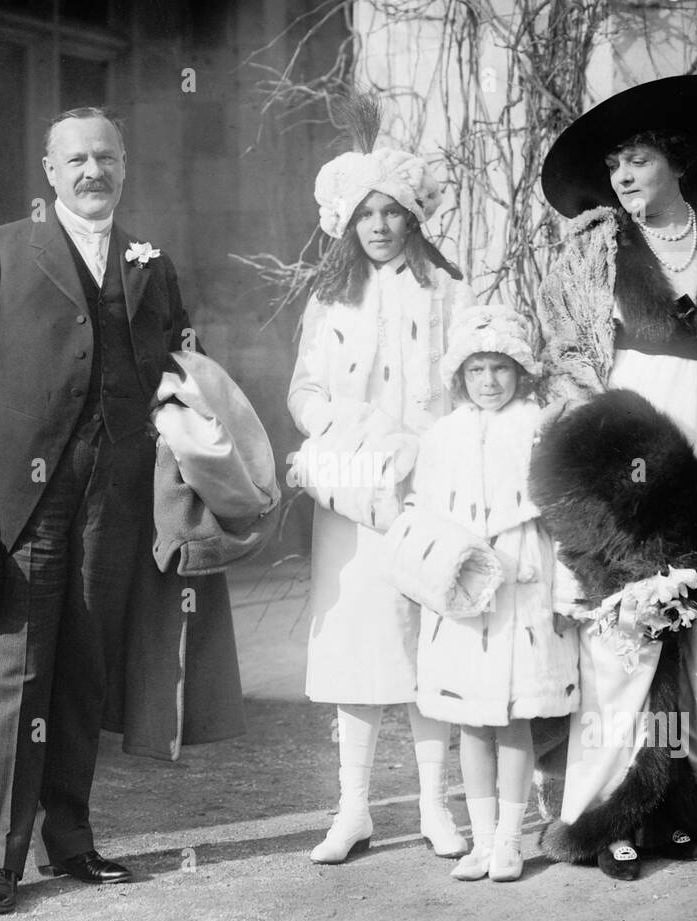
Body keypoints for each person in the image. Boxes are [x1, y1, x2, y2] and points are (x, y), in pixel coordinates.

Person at [0, 106, 242, 915]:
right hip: (23, 499)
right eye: (76, 160)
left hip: (118, 494)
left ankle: (70, 841)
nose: (92, 171)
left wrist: (193, 412)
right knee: (14, 673)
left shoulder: (152, 262)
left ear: (124, 166)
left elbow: (175, 362)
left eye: (105, 157)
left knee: (84, 668)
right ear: (49, 172)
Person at [534, 74, 697, 880]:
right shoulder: (595, 248)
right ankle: (600, 817)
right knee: (623, 638)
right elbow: (569, 364)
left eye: (639, 159)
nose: (624, 177)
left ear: (676, 162)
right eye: (615, 164)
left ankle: (686, 805)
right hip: (626, 458)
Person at [288, 95, 476, 864]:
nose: (378, 226)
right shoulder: (330, 298)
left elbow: (476, 384)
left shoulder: (448, 292)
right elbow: (303, 392)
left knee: (431, 646)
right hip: (354, 496)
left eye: (391, 212)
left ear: (413, 218)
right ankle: (354, 809)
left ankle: (435, 806)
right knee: (361, 655)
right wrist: (341, 430)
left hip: (429, 490)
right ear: (346, 221)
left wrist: (429, 445)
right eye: (364, 213)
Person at [399, 305, 580, 882]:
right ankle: (479, 841)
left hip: (522, 593)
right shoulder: (442, 436)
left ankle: (509, 840)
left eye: (500, 367)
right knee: (470, 724)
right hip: (460, 593)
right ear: (460, 378)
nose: (489, 381)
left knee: (514, 720)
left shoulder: (538, 428)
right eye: (477, 370)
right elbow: (422, 517)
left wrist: (565, 595)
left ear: (518, 372)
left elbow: (562, 522)